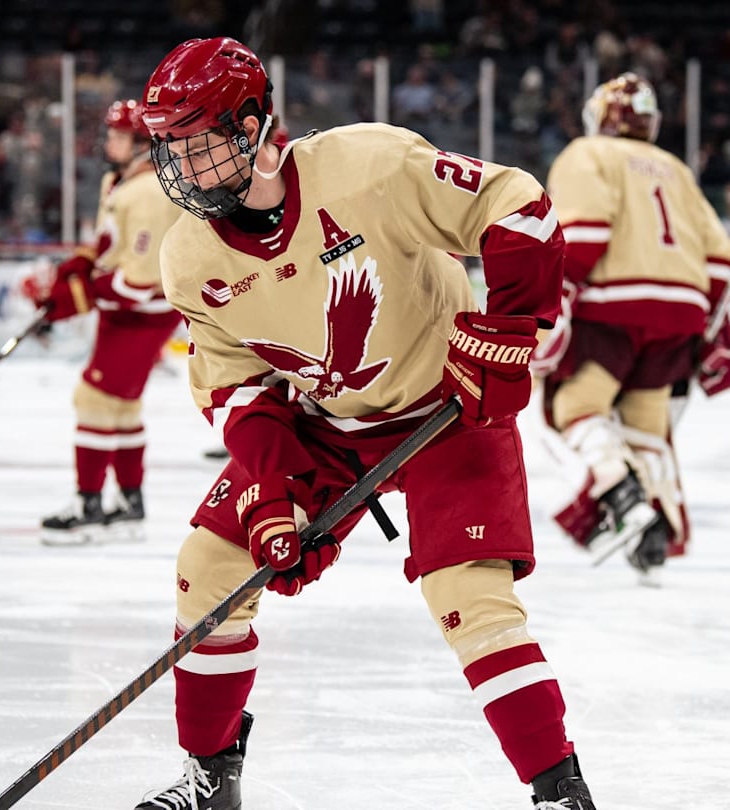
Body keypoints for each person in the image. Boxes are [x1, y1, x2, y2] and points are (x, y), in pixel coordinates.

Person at [132, 37, 594, 810]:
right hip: (325, 423)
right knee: (207, 568)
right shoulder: (189, 258)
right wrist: (271, 493)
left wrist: (510, 328)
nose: (178, 170)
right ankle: (211, 780)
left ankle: (559, 791)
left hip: (451, 406)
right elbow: (240, 393)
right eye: (168, 148)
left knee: (469, 595)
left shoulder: (368, 168)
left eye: (197, 145)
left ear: (251, 128)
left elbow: (517, 203)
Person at [537, 72, 730, 582]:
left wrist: (554, 294)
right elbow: (721, 259)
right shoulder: (676, 168)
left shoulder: (588, 154)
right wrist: (706, 316)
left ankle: (617, 487)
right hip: (680, 316)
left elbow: (586, 231)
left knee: (575, 407)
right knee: (647, 424)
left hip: (612, 309)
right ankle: (656, 527)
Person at [32, 99, 184, 544]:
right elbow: (108, 246)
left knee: (94, 400)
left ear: (142, 143)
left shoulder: (152, 192)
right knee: (121, 406)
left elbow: (140, 281)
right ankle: (130, 503)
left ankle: (89, 505)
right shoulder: (120, 182)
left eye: (119, 135)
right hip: (128, 314)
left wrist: (77, 296)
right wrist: (78, 266)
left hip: (142, 314)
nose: (109, 142)